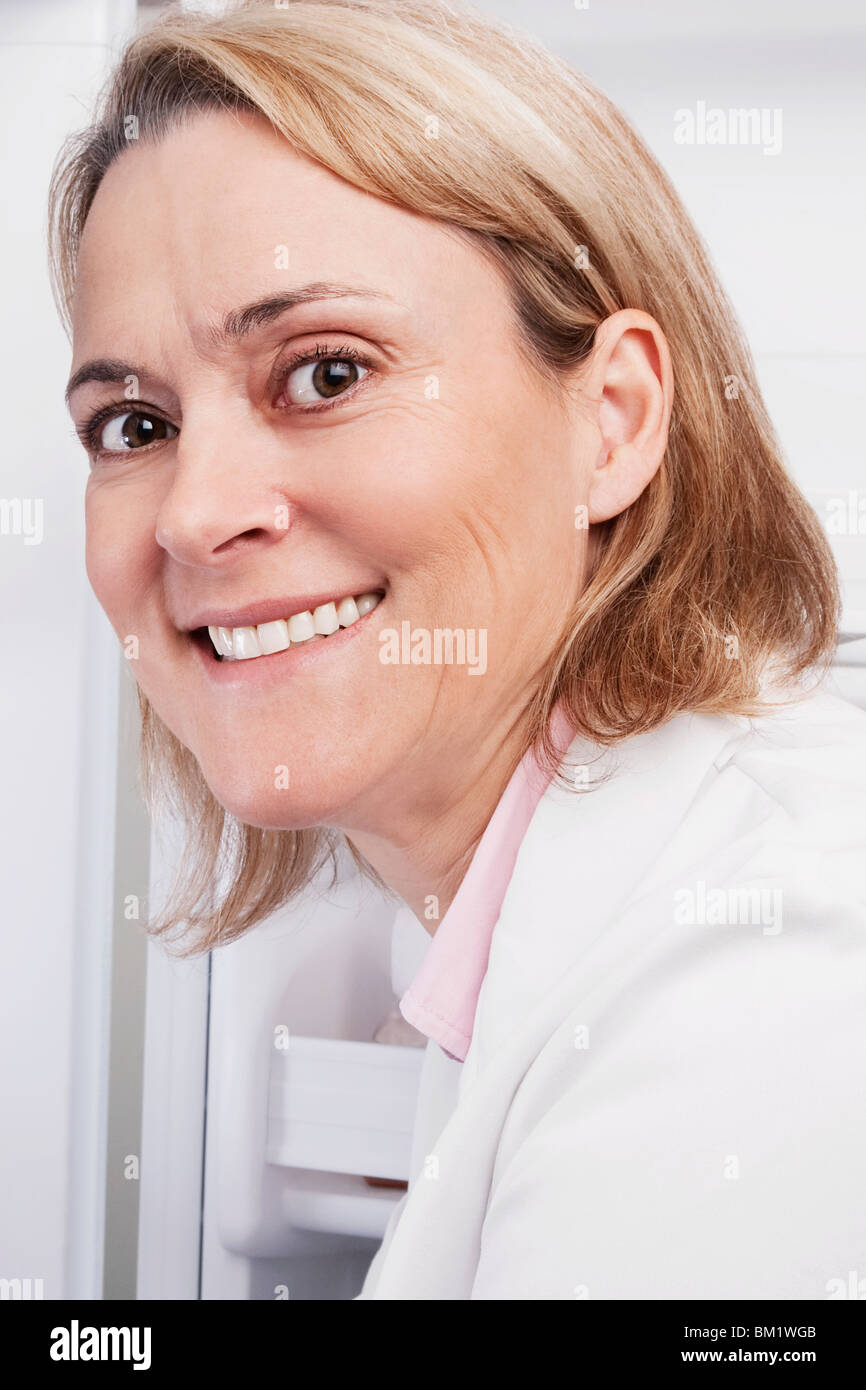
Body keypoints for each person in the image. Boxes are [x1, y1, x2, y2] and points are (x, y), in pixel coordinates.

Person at [50, 0, 866, 1298]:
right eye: (135, 426)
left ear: (609, 422)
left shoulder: (772, 966)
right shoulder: (525, 926)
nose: (198, 515)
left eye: (323, 374)